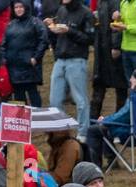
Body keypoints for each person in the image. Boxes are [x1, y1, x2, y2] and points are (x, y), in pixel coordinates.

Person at [46, 0, 93, 143]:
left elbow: (89, 39)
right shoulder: (61, 10)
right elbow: (56, 34)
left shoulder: (86, 13)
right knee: (54, 100)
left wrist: (69, 31)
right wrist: (51, 26)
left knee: (80, 99)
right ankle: (61, 131)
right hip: (60, 60)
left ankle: (83, 133)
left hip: (77, 60)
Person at [3, 0, 48, 106]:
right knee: (18, 95)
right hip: (13, 66)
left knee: (32, 92)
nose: (18, 9)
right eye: (16, 7)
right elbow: (3, 43)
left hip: (29, 65)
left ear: (26, 7)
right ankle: (22, 120)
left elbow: (44, 40)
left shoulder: (35, 22)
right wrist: (4, 59)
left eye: (21, 7)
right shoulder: (10, 24)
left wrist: (36, 57)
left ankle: (37, 117)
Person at [92, 0, 129, 118]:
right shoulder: (100, 2)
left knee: (121, 87)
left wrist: (116, 46)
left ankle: (119, 120)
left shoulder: (115, 2)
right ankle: (92, 121)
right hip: (102, 49)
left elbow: (117, 21)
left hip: (111, 50)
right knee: (98, 86)